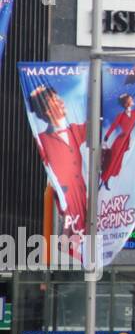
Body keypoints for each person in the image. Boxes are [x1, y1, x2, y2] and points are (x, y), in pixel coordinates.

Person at [27, 84, 90, 256]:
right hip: (71, 220)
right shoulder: (42, 141)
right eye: (55, 99)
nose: (62, 102)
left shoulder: (85, 130)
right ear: (47, 110)